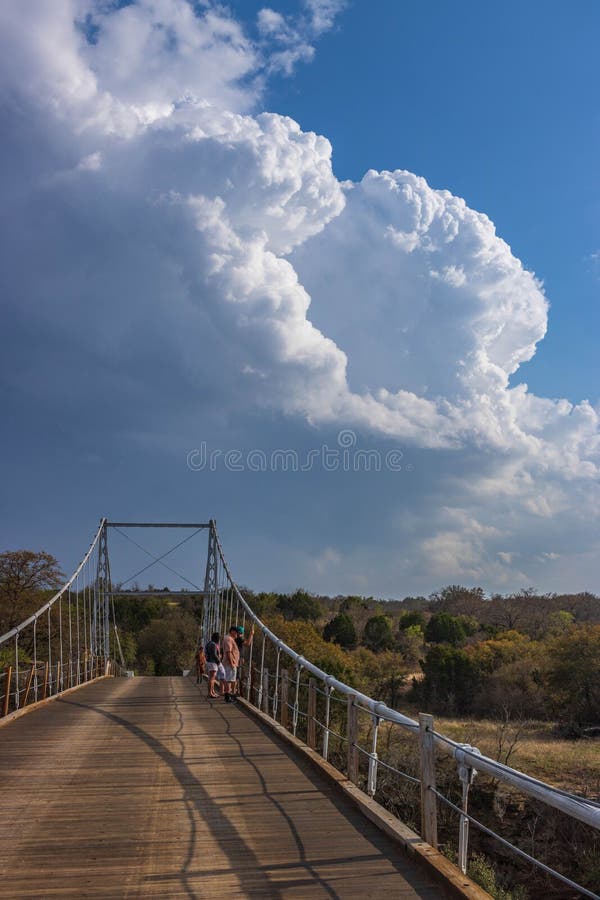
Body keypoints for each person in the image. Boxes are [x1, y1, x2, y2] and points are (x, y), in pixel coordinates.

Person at [221, 625, 241, 703]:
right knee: (228, 680)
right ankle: (227, 698)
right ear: (232, 631)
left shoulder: (229, 638)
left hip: (230, 663)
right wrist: (232, 663)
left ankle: (229, 696)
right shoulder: (228, 639)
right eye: (236, 633)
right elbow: (228, 652)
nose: (237, 634)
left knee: (229, 680)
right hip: (229, 664)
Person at [234, 624, 254, 696]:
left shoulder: (235, 638)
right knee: (237, 675)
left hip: (237, 658)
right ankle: (235, 691)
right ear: (241, 633)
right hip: (238, 659)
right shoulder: (239, 639)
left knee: (237, 675)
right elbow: (248, 643)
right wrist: (251, 634)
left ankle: (236, 690)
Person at [204, 632, 221, 698]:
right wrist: (218, 661)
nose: (219, 640)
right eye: (219, 638)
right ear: (216, 638)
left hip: (209, 662)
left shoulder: (208, 643)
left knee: (211, 678)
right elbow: (214, 654)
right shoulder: (213, 644)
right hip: (213, 662)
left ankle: (212, 691)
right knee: (212, 678)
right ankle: (210, 693)